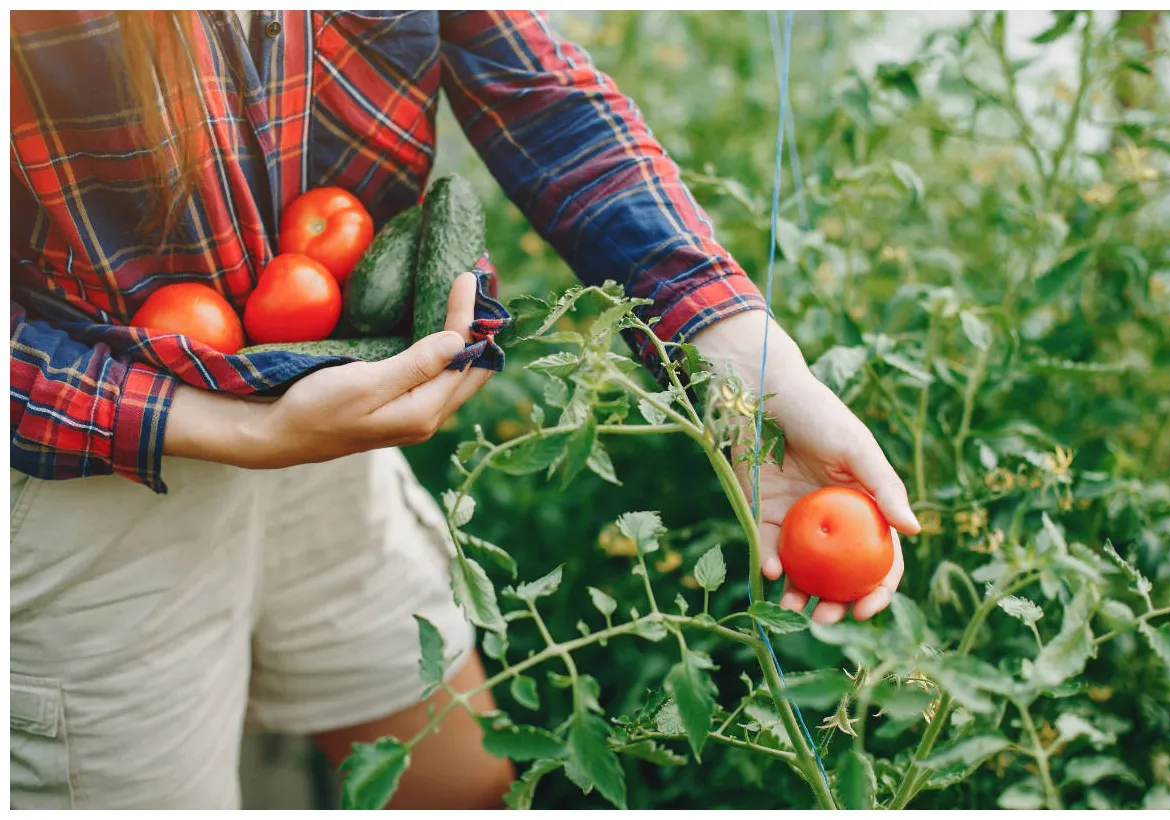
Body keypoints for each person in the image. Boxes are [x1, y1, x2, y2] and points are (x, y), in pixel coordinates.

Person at [9, 10, 920, 810]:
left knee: (461, 784)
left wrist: (746, 356)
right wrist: (237, 430)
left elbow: (540, 93)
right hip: (91, 467)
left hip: (325, 416)